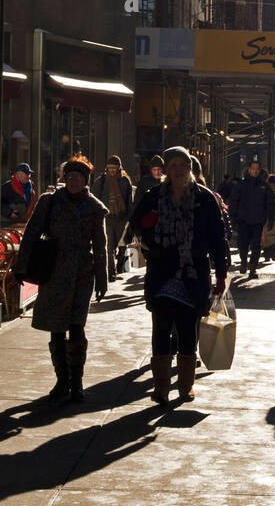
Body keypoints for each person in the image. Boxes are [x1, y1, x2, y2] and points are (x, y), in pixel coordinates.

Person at [128, 145, 227, 404]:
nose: (179, 170)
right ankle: (161, 387)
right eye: (173, 165)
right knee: (161, 329)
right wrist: (150, 238)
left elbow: (218, 238)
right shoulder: (153, 197)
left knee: (187, 330)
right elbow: (136, 223)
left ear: (190, 169)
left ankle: (185, 386)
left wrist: (222, 273)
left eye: (183, 165)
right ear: (166, 170)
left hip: (193, 274)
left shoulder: (204, 198)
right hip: (162, 272)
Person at [14, 155, 108, 403]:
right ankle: (61, 381)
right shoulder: (50, 202)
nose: (74, 181)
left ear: (85, 180)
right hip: (53, 272)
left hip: (82, 274)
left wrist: (102, 278)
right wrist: (21, 267)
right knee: (56, 327)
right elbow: (32, 234)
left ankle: (76, 383)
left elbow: (100, 246)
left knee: (77, 327)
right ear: (64, 179)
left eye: (78, 177)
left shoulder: (95, 208)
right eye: (70, 177)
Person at [229, 160, 274, 279]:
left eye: (257, 169)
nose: (255, 171)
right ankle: (244, 262)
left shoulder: (264, 186)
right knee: (242, 244)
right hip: (243, 220)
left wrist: (270, 219)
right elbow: (234, 201)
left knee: (256, 246)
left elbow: (269, 204)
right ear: (249, 170)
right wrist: (233, 217)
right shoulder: (241, 184)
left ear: (260, 171)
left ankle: (252, 268)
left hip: (258, 221)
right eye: (253, 168)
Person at [91, 155, 133, 281]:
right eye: (109, 167)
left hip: (121, 218)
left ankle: (120, 269)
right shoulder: (101, 181)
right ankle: (111, 273)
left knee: (122, 246)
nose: (112, 170)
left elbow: (129, 202)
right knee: (109, 247)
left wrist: (129, 219)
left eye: (114, 167)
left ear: (119, 168)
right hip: (107, 219)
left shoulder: (125, 182)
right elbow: (94, 199)